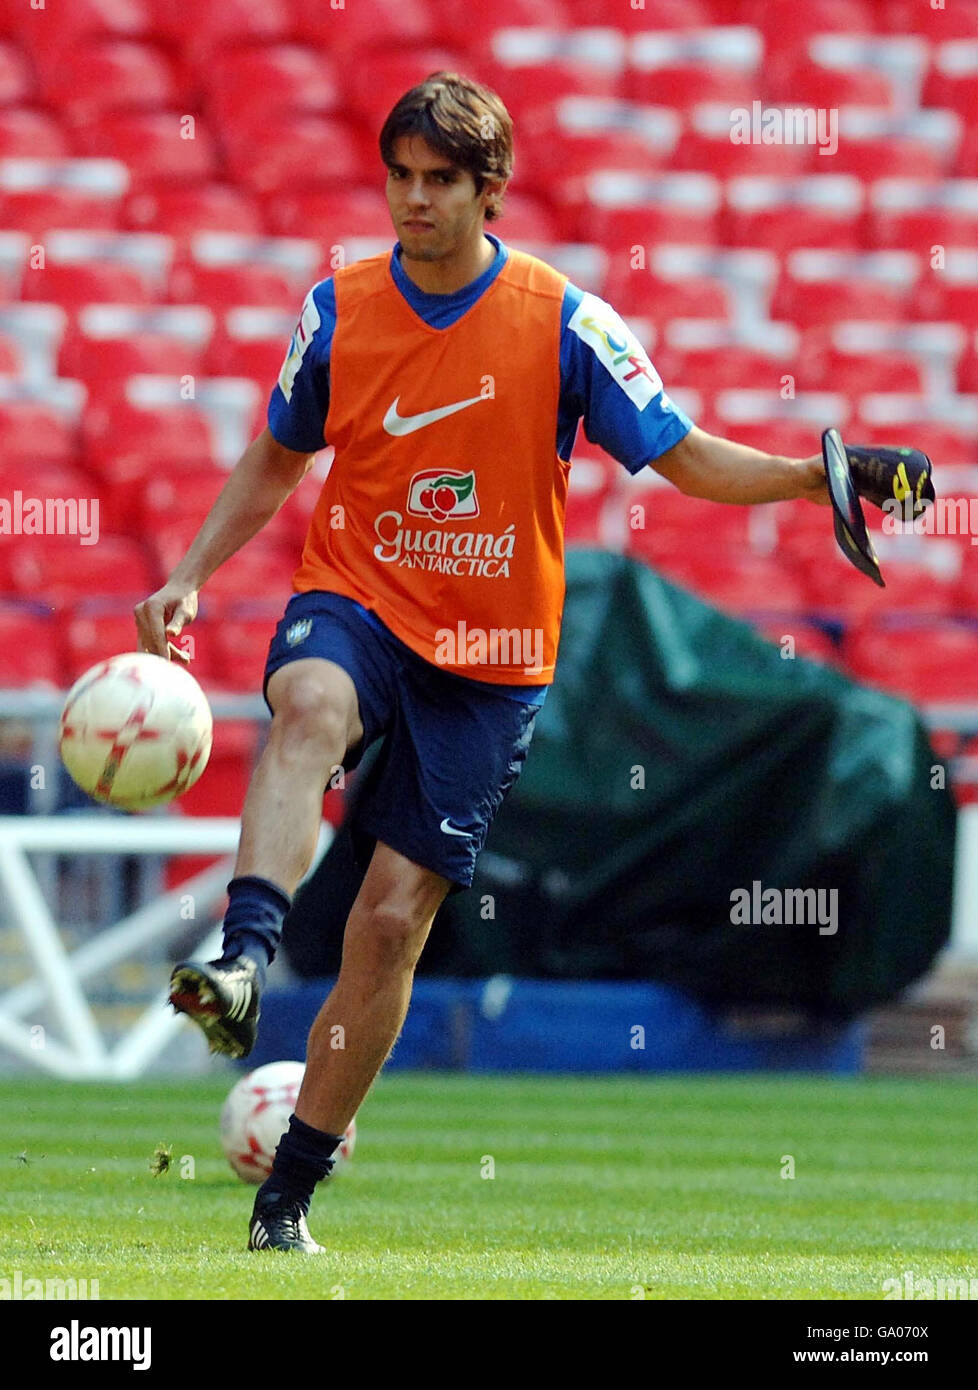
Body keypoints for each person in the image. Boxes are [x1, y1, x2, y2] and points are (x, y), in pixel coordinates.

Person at [134, 72, 829, 1253]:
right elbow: (275, 455)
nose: (412, 200)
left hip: (495, 655)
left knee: (391, 922)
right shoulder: (340, 309)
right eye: (399, 176)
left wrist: (815, 476)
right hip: (358, 595)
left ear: (489, 189)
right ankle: (244, 958)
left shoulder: (564, 321)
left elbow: (683, 455)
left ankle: (287, 1191)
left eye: (439, 181)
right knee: (305, 699)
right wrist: (194, 568)